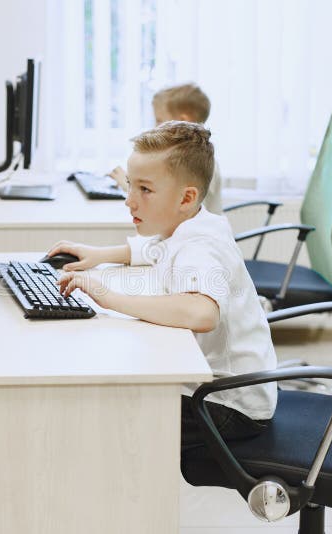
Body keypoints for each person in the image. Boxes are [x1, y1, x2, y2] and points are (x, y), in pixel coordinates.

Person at [51, 121, 277, 447]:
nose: (129, 201)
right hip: (221, 390)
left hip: (229, 407)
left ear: (186, 198)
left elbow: (202, 313)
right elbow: (153, 249)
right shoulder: (188, 225)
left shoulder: (201, 245)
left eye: (144, 189)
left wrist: (107, 296)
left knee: (99, 410)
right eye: (130, 185)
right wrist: (99, 254)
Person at [109, 83, 223, 213]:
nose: (155, 127)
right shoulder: (176, 157)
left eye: (159, 120)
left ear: (182, 120)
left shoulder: (198, 163)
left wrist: (128, 186)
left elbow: (185, 211)